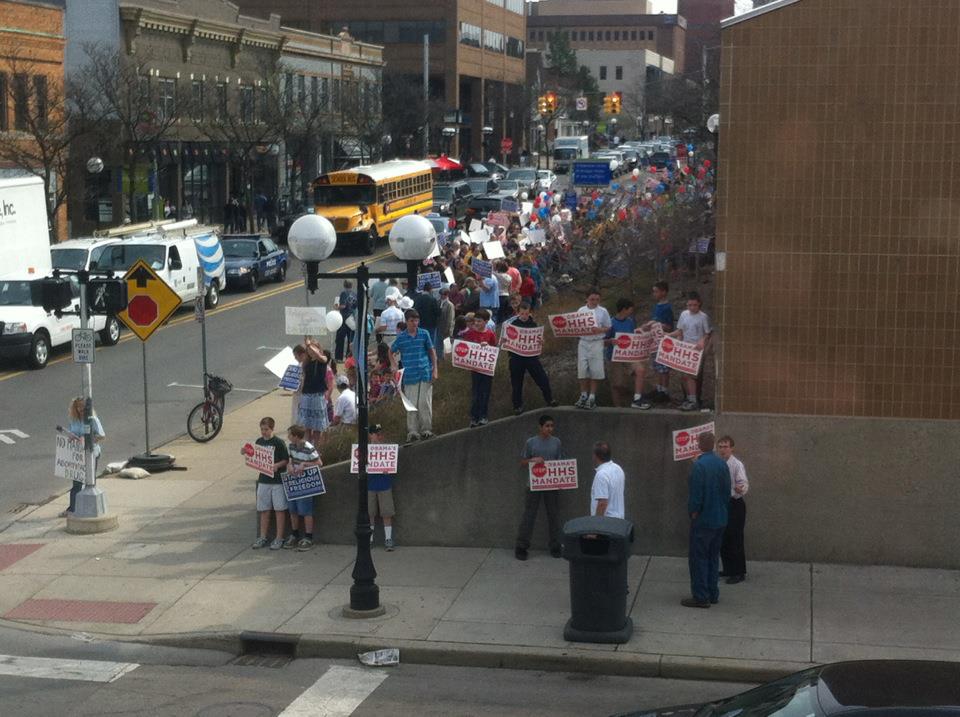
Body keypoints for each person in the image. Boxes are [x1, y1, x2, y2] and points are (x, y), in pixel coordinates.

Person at [683, 432, 730, 608]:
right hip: (720, 518)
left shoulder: (699, 466)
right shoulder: (721, 464)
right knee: (713, 556)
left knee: (699, 558)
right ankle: (712, 593)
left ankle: (701, 596)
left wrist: (694, 512)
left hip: (704, 519)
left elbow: (696, 495)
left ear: (699, 445)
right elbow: (727, 491)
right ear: (713, 445)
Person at [514, 415, 564, 561]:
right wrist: (532, 460)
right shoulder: (531, 442)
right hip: (534, 483)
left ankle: (555, 545)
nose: (549, 429)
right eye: (547, 426)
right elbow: (522, 462)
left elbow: (560, 463)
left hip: (551, 484)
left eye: (551, 426)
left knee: (553, 514)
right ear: (540, 427)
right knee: (529, 515)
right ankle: (521, 546)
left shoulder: (557, 442)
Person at [390, 308, 438, 442]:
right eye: (412, 321)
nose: (414, 323)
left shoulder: (424, 334)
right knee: (411, 404)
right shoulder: (401, 338)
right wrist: (394, 365)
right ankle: (413, 431)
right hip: (410, 374)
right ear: (407, 321)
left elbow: (431, 351)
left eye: (416, 320)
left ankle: (426, 429)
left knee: (424, 402)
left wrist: (435, 369)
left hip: (424, 371)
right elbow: (391, 351)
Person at [506, 301, 556, 415]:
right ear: (518, 313)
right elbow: (506, 340)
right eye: (522, 313)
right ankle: (517, 406)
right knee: (516, 383)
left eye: (526, 313)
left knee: (542, 379)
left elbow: (540, 339)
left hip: (531, 357)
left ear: (529, 313)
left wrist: (541, 341)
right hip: (516, 358)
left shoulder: (533, 324)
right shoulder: (512, 325)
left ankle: (550, 399)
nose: (524, 316)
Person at [248, 417, 290, 550]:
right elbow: (253, 455)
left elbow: (286, 460)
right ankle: (262, 536)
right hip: (264, 480)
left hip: (277, 481)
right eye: (262, 429)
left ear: (272, 429)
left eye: (266, 429)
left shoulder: (278, 442)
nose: (264, 432)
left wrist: (277, 465)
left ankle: (279, 537)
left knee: (279, 509)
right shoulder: (259, 442)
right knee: (264, 509)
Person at [59, 397, 105, 517]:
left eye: (83, 407)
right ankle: (73, 508)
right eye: (78, 407)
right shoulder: (74, 420)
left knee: (90, 481)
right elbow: (72, 432)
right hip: (77, 455)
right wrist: (72, 438)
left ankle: (88, 508)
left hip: (91, 453)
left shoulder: (92, 419)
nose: (81, 409)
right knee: (76, 483)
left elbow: (101, 436)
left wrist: (87, 439)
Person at [634, 281, 676, 409]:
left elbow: (669, 326)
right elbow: (655, 320)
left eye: (656, 291)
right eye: (654, 291)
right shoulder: (657, 306)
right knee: (657, 367)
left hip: (664, 341)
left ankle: (664, 390)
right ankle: (658, 389)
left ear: (663, 292)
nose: (654, 294)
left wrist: (659, 326)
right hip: (655, 342)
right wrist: (647, 326)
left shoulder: (667, 307)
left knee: (664, 368)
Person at [670, 292, 712, 411]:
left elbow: (708, 333)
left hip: (696, 350)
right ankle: (688, 398)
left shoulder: (703, 317)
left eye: (695, 305)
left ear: (699, 304)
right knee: (684, 376)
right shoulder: (684, 314)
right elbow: (680, 331)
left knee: (691, 376)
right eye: (690, 305)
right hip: (684, 348)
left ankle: (694, 400)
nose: (692, 307)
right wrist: (668, 335)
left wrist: (703, 341)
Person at [717, 435, 749, 584]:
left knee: (735, 538)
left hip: (734, 503)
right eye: (721, 446)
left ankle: (739, 571)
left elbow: (743, 483)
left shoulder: (737, 464)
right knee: (724, 538)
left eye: (726, 446)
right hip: (722, 503)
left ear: (732, 448)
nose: (723, 449)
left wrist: (739, 488)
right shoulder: (718, 463)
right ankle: (728, 568)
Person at [285, 424, 321, 551]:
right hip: (294, 482)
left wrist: (304, 464)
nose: (288, 437)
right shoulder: (291, 446)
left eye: (289, 434)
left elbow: (319, 462)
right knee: (292, 509)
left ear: (295, 436)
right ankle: (294, 533)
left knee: (305, 510)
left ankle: (308, 536)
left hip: (305, 483)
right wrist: (289, 465)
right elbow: (290, 459)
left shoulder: (308, 447)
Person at [574, 288, 612, 410]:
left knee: (595, 370)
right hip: (584, 341)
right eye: (592, 299)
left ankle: (592, 397)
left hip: (596, 341)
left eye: (597, 299)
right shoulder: (581, 310)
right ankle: (583, 395)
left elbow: (608, 327)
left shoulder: (603, 311)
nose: (594, 301)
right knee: (582, 369)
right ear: (587, 299)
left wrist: (599, 330)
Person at [460, 308, 498, 427]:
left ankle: (483, 416)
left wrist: (487, 347)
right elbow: (465, 347)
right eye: (475, 321)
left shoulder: (490, 334)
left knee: (485, 392)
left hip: (486, 369)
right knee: (476, 393)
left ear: (486, 322)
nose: (476, 323)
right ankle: (474, 417)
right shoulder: (470, 333)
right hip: (475, 369)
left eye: (479, 321)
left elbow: (494, 348)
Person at [367, 424, 397, 550]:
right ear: (370, 435)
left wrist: (388, 468)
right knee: (370, 513)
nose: (379, 436)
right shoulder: (365, 449)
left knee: (387, 513)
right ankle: (369, 539)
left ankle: (388, 539)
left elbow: (392, 464)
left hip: (384, 484)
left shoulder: (388, 449)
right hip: (370, 485)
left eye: (380, 433)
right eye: (376, 433)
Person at [605, 297, 638, 408]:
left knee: (638, 372)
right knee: (616, 384)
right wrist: (610, 341)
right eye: (630, 309)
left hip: (628, 355)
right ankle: (617, 407)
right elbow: (602, 341)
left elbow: (633, 336)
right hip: (614, 357)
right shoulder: (610, 323)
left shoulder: (630, 321)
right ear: (624, 309)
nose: (632, 311)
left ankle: (636, 399)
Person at [297, 339, 330, 447]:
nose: (311, 351)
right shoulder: (306, 363)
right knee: (306, 428)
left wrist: (310, 345)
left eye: (313, 349)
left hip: (317, 396)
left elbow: (320, 357)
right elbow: (304, 379)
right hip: (307, 395)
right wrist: (300, 397)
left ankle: (316, 449)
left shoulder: (323, 360)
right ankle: (307, 448)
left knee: (317, 429)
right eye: (309, 350)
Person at [590, 441, 625, 518]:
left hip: (606, 524)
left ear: (595, 456)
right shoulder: (618, 469)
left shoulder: (601, 475)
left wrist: (596, 523)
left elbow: (602, 503)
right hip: (620, 522)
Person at [334, 280, 358, 362]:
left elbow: (343, 306)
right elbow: (355, 306)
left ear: (344, 285)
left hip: (344, 318)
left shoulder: (344, 293)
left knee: (340, 339)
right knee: (350, 339)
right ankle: (349, 357)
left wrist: (337, 307)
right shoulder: (355, 294)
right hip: (351, 318)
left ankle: (338, 357)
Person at [414, 282, 441, 349]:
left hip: (421, 324)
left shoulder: (418, 299)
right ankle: (431, 358)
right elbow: (437, 312)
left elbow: (415, 311)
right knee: (431, 343)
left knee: (422, 343)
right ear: (430, 289)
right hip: (431, 325)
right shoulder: (433, 299)